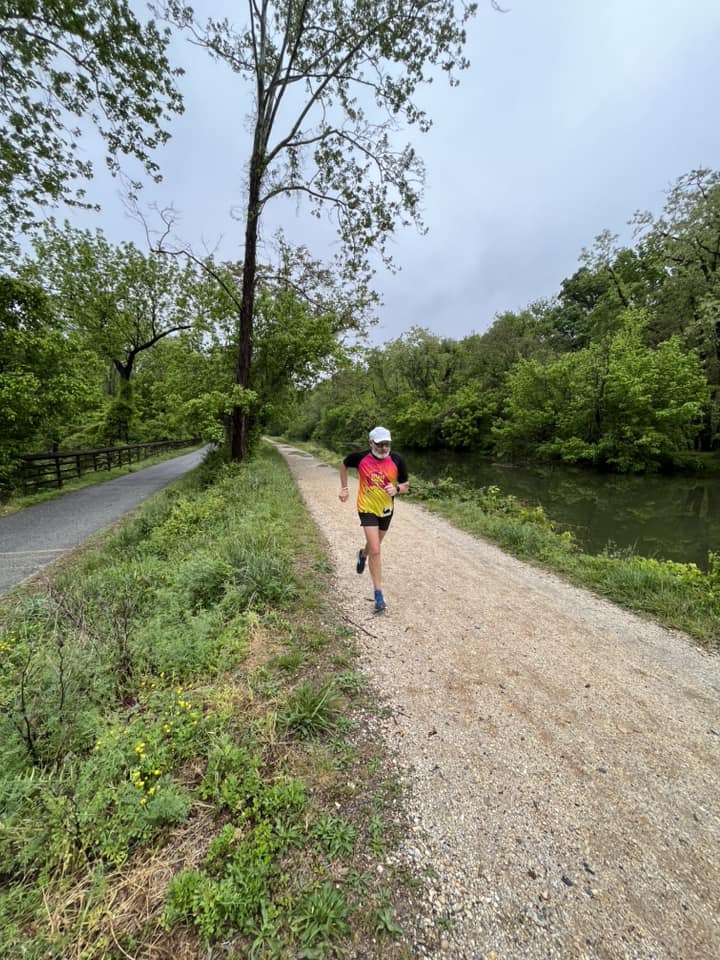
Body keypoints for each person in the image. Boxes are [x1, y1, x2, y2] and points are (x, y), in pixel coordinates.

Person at [338, 426, 409, 612]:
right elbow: (343, 465)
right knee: (376, 550)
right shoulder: (360, 458)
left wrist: (397, 489)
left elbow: (406, 485)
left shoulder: (397, 460)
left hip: (386, 509)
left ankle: (362, 554)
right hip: (366, 507)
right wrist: (344, 488)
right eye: (380, 444)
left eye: (387, 444)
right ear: (371, 443)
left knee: (373, 545)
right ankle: (378, 595)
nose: (384, 448)